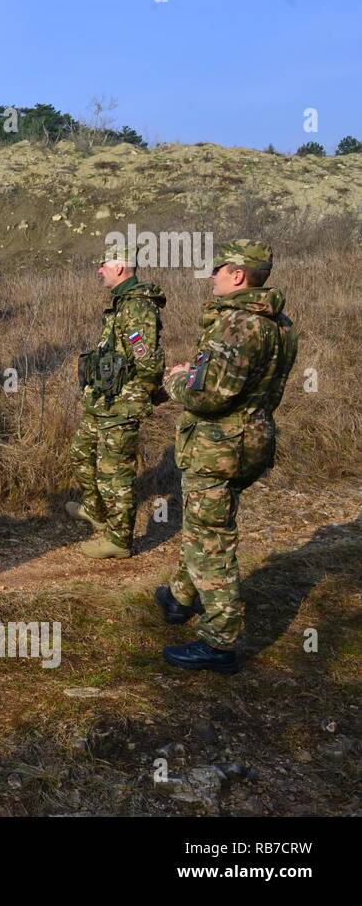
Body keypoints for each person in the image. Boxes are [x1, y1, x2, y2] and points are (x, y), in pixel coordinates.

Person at [155, 241, 298, 675]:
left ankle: (219, 642)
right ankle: (181, 596)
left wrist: (178, 381)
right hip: (252, 439)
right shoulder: (280, 324)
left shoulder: (237, 325)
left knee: (211, 539)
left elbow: (209, 396)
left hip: (218, 445)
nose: (212, 276)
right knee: (205, 522)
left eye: (217, 269)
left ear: (237, 275)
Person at [66, 243, 166, 559]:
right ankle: (95, 511)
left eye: (103, 265)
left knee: (115, 472)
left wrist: (139, 395)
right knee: (81, 453)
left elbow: (148, 362)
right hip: (103, 400)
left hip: (122, 404)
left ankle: (119, 540)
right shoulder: (121, 303)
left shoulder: (137, 307)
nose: (99, 271)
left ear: (120, 268)